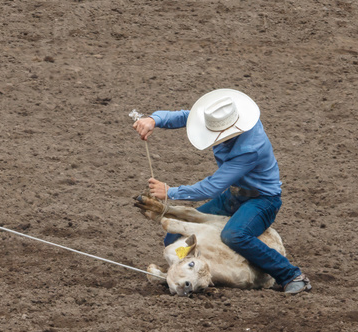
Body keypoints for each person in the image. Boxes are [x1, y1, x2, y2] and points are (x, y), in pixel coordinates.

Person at [132, 88, 311, 295]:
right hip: (234, 195)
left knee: (235, 235)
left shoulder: (250, 148)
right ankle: (183, 274)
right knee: (173, 235)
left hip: (262, 201)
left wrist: (170, 191)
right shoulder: (225, 119)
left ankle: (291, 274)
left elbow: (213, 186)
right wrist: (155, 120)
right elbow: (185, 117)